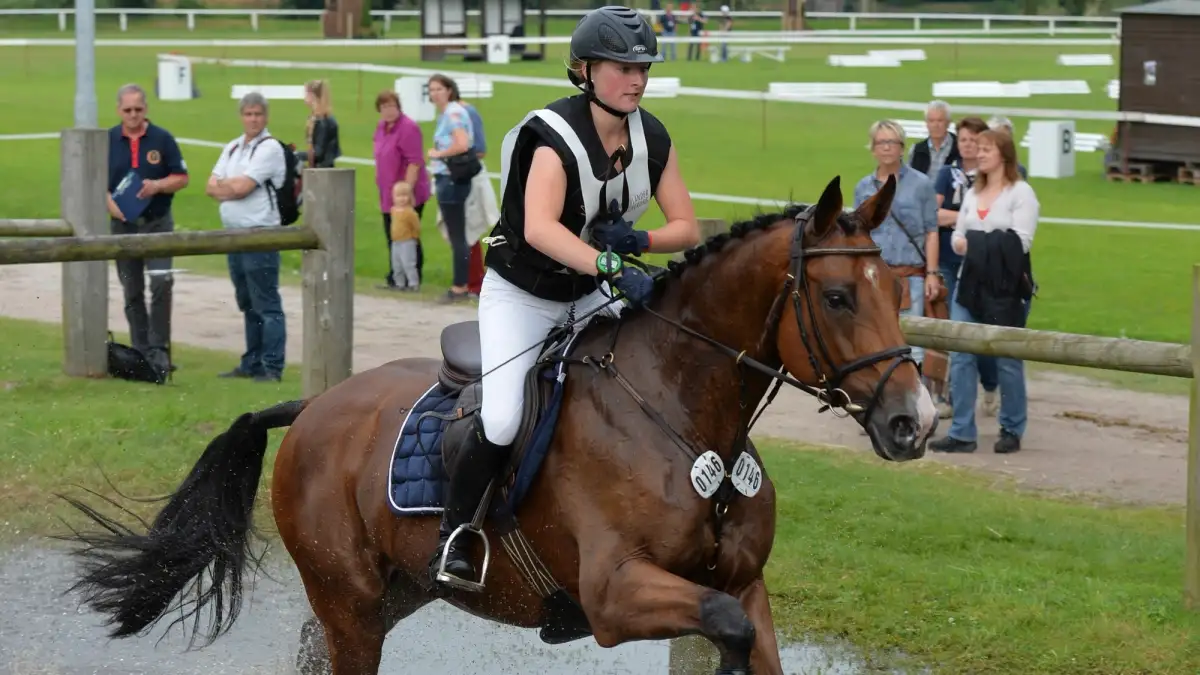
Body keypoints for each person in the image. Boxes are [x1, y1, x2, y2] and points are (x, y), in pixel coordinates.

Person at [428, 5, 701, 589]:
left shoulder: (652, 136)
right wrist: (610, 262)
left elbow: (687, 227)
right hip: (524, 297)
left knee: (650, 388)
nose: (636, 79)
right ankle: (456, 536)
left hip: (592, 293)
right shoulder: (553, 137)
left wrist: (640, 239)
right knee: (502, 417)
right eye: (622, 67)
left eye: (642, 68)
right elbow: (540, 230)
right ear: (585, 71)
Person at [930, 128, 1038, 456]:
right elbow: (955, 238)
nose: (979, 154)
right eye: (978, 149)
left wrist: (975, 242)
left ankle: (1011, 428)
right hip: (969, 284)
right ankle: (962, 431)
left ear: (1003, 154)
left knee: (1006, 359)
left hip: (1005, 288)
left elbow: (1020, 243)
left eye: (986, 149)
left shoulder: (1022, 193)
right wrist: (979, 240)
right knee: (962, 357)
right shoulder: (973, 194)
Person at [106, 83, 190, 375]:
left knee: (161, 283)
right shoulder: (108, 141)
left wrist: (157, 185)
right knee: (131, 289)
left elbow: (182, 177)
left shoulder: (162, 139)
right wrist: (108, 203)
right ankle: (140, 351)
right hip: (122, 226)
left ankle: (160, 351)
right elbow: (95, 182)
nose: (133, 115)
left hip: (157, 223)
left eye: (138, 110)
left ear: (146, 109)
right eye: (127, 110)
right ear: (118, 110)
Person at [205, 92, 288, 383]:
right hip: (234, 235)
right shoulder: (232, 148)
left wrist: (228, 186)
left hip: (260, 234)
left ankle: (271, 365)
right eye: (248, 114)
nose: (253, 119)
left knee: (266, 302)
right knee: (246, 301)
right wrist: (232, 185)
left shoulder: (270, 148)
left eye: (258, 114)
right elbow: (210, 186)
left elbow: (241, 187)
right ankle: (251, 361)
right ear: (241, 116)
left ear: (266, 117)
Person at [932, 116, 998, 419]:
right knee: (956, 331)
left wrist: (955, 217)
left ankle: (990, 381)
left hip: (981, 266)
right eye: (963, 140)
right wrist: (968, 219)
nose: (968, 145)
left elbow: (993, 218)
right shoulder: (948, 173)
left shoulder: (989, 177)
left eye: (973, 140)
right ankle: (955, 397)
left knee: (979, 334)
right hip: (948, 260)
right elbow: (934, 214)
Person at [425, 74, 476, 304]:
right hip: (450, 178)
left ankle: (459, 285)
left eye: (438, 89)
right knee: (458, 234)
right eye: (431, 89)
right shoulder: (449, 112)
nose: (434, 93)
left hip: (451, 178)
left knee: (457, 235)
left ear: (449, 90)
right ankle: (461, 283)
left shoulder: (453, 113)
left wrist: (438, 154)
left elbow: (462, 143)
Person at [373, 90, 430, 291]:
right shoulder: (381, 128)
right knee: (393, 234)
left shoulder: (408, 128)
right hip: (387, 193)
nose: (388, 111)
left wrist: (407, 193)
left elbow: (415, 162)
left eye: (391, 106)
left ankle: (413, 279)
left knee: (407, 235)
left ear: (398, 107)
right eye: (384, 107)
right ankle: (396, 277)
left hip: (406, 194)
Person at [299, 79, 341, 169]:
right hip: (322, 169)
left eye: (307, 94)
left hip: (323, 173)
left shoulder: (322, 122)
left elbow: (318, 153)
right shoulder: (320, 118)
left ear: (314, 96)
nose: (304, 97)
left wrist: (297, 155)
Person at [389, 182, 422, 292]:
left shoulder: (410, 213)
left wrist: (415, 237)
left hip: (407, 241)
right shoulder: (393, 210)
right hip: (396, 241)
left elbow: (416, 226)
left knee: (408, 264)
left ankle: (413, 284)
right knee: (397, 265)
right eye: (399, 196)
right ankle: (399, 284)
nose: (402, 199)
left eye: (405, 196)